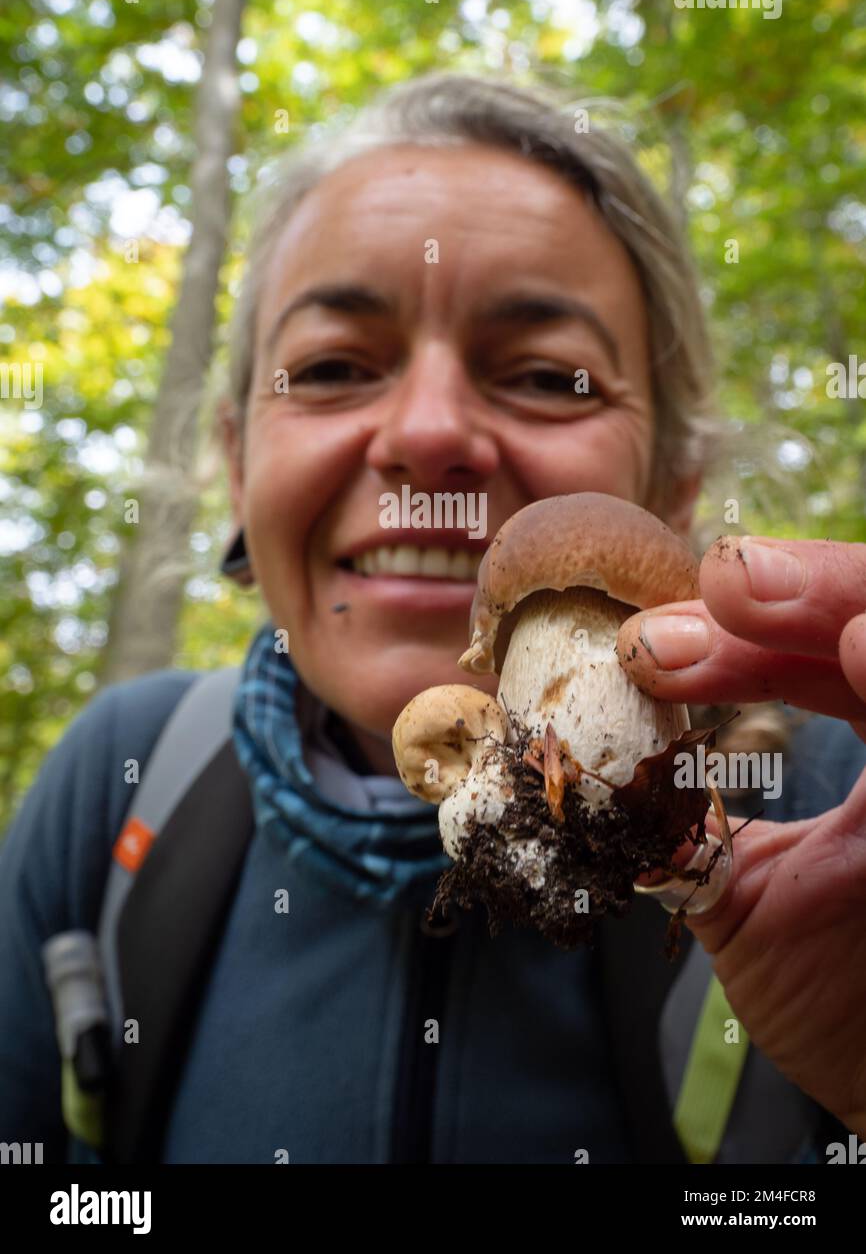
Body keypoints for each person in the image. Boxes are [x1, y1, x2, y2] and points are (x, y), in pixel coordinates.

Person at [1, 72, 864, 1165]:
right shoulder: (114, 786)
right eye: (329, 367)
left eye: (550, 376)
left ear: (676, 482)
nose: (426, 433)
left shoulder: (827, 813)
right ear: (235, 459)